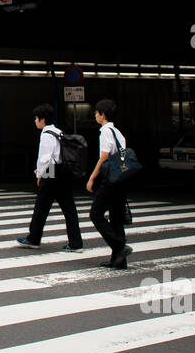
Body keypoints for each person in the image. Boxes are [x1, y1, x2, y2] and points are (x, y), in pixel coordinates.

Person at [17, 104, 84, 251]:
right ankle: (76, 243)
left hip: (51, 171)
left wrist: (39, 174)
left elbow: (45, 159)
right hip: (63, 171)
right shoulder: (59, 132)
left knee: (41, 206)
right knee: (69, 209)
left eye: (36, 118)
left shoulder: (46, 135)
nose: (35, 121)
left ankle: (33, 239)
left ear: (42, 119)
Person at [86, 99, 132, 268]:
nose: (95, 116)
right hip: (121, 179)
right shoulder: (117, 132)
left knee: (96, 214)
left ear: (102, 114)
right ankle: (119, 261)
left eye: (96, 113)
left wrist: (92, 177)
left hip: (110, 180)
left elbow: (104, 156)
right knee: (116, 218)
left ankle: (120, 247)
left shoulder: (105, 131)